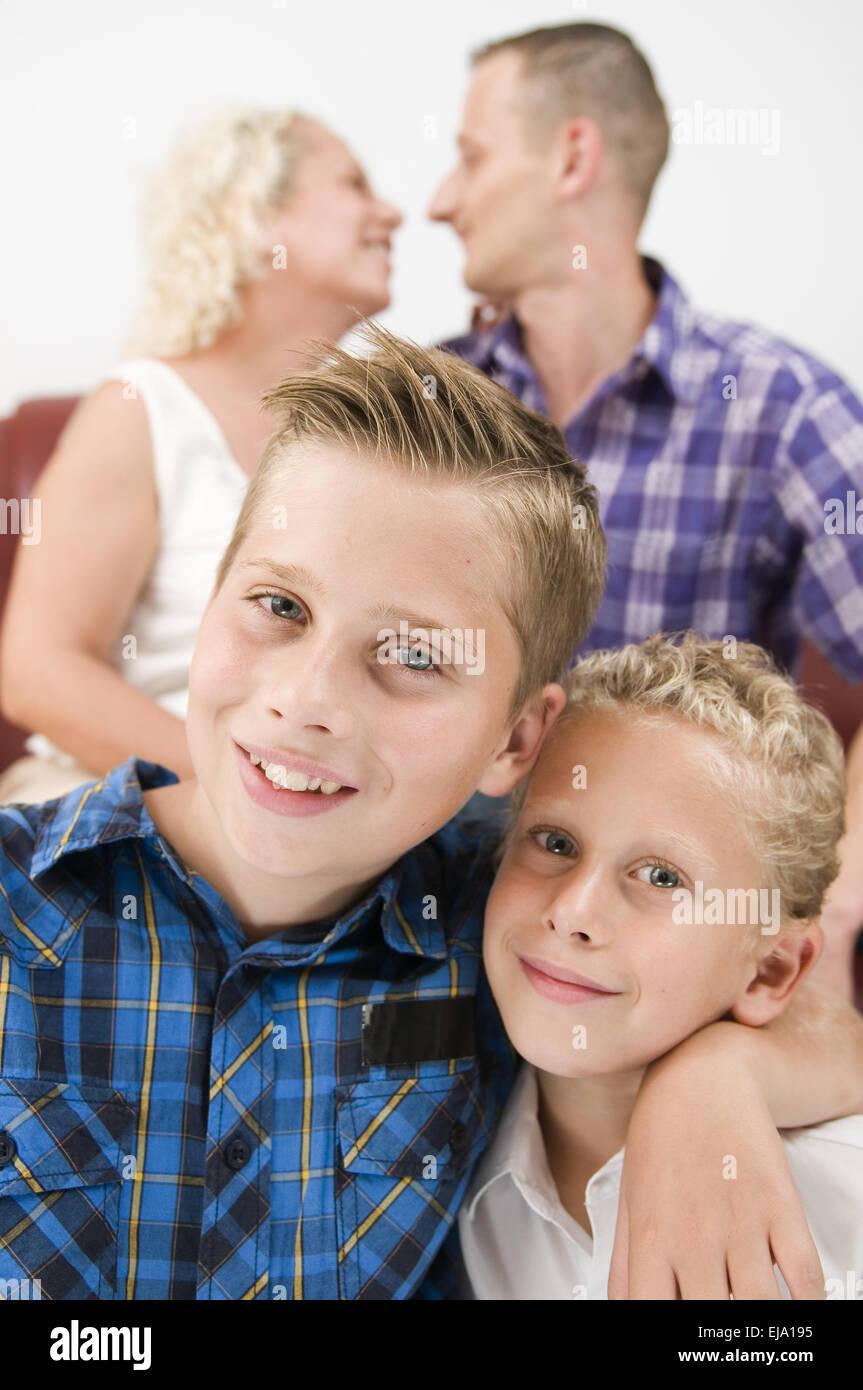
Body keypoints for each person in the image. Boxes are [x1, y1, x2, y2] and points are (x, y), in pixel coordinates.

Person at [1, 330, 862, 1301]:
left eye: (413, 656)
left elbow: (794, 1015)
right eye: (279, 605)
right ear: (209, 601)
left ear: (513, 741)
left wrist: (713, 1082)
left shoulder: (509, 928)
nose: (306, 697)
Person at [430, 21, 863, 998]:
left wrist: (834, 898)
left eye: (468, 156)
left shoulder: (779, 404)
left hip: (667, 917)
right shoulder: (433, 402)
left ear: (570, 155)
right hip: (441, 891)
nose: (439, 201)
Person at [0, 106, 401, 805]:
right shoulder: (140, 408)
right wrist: (247, 784)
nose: (392, 214)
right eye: (354, 185)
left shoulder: (377, 441)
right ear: (258, 216)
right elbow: (36, 672)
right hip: (121, 801)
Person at [460, 633, 863, 1300]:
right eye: (554, 842)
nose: (573, 911)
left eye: (660, 876)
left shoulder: (840, 1197)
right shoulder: (457, 1152)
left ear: (769, 971)